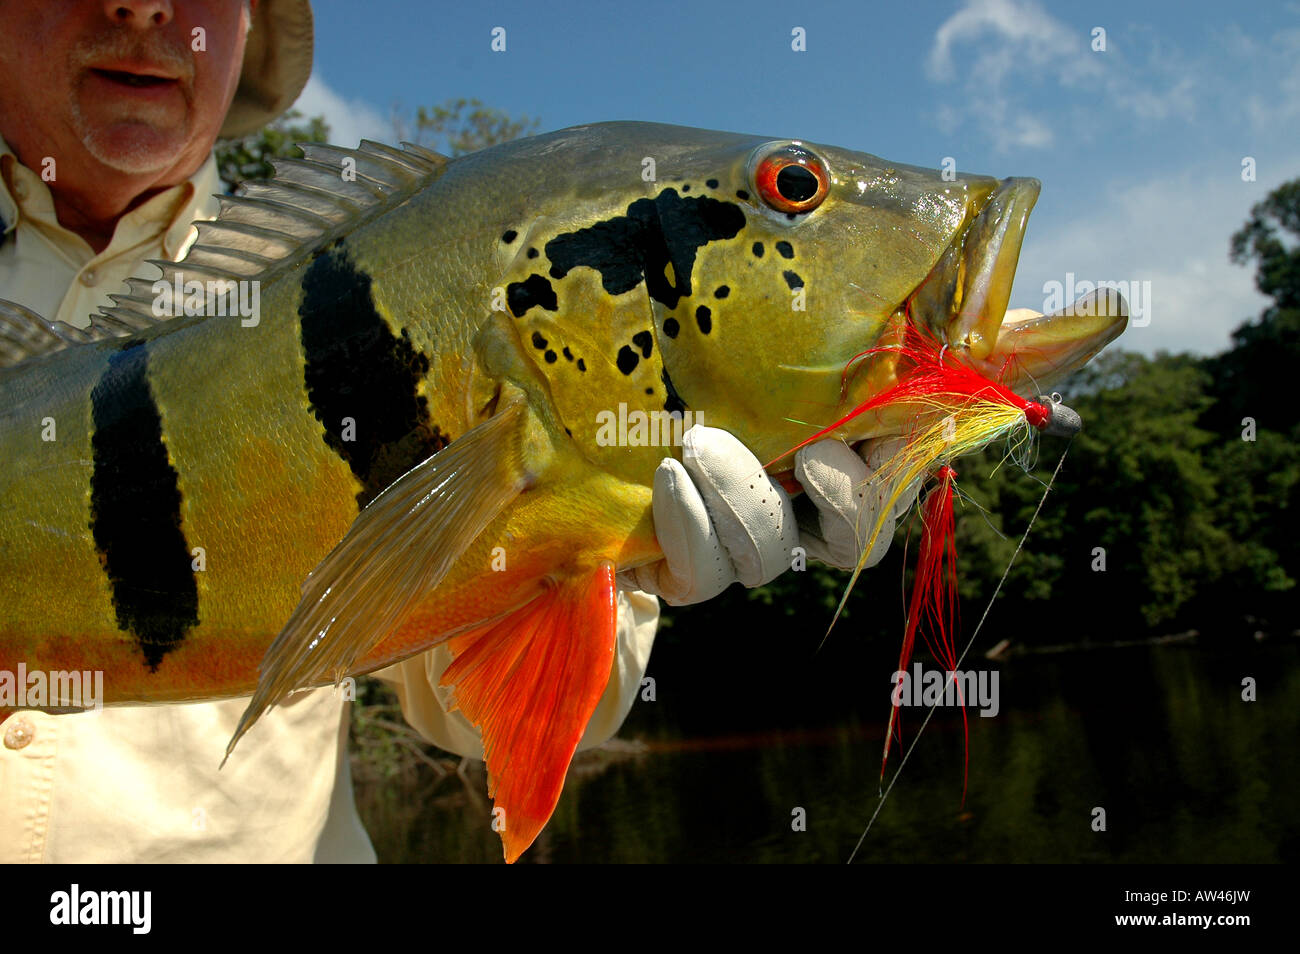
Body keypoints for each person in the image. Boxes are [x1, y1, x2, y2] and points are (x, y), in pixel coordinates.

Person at [0, 0, 910, 862]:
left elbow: (470, 711)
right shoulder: (360, 266)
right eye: (791, 192)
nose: (142, 4)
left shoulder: (384, 267)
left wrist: (617, 570)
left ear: (249, 21)